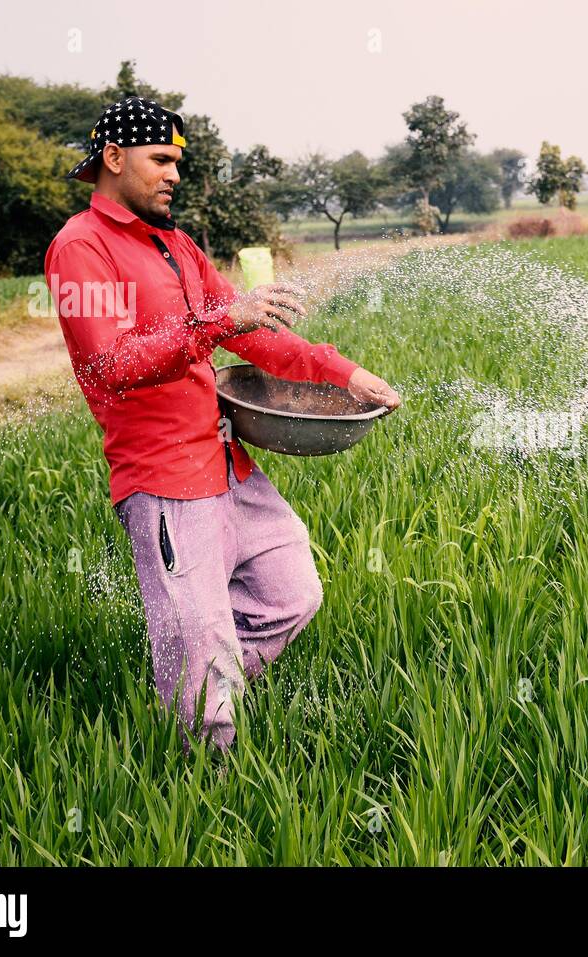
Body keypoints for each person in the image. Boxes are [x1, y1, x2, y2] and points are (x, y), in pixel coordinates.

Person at [44, 96, 401, 751]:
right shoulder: (79, 248)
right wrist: (221, 320)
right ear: (113, 160)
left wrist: (343, 372)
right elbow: (108, 366)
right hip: (164, 479)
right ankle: (203, 774)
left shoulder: (175, 245)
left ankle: (202, 681)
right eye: (160, 160)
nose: (174, 174)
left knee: (292, 592)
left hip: (227, 461)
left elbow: (250, 336)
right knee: (197, 651)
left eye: (178, 162)